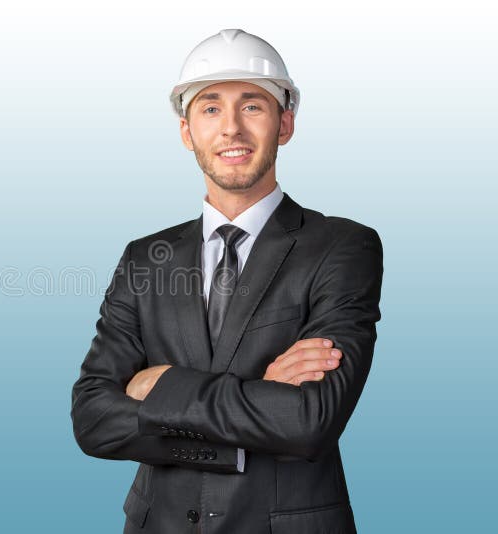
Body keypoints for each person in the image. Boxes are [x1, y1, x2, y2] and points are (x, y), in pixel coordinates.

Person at [70, 29, 383, 534]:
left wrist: (161, 385)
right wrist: (257, 402)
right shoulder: (145, 259)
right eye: (211, 108)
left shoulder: (342, 247)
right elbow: (93, 418)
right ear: (186, 131)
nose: (231, 128)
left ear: (285, 123)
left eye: (252, 107)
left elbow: (311, 420)